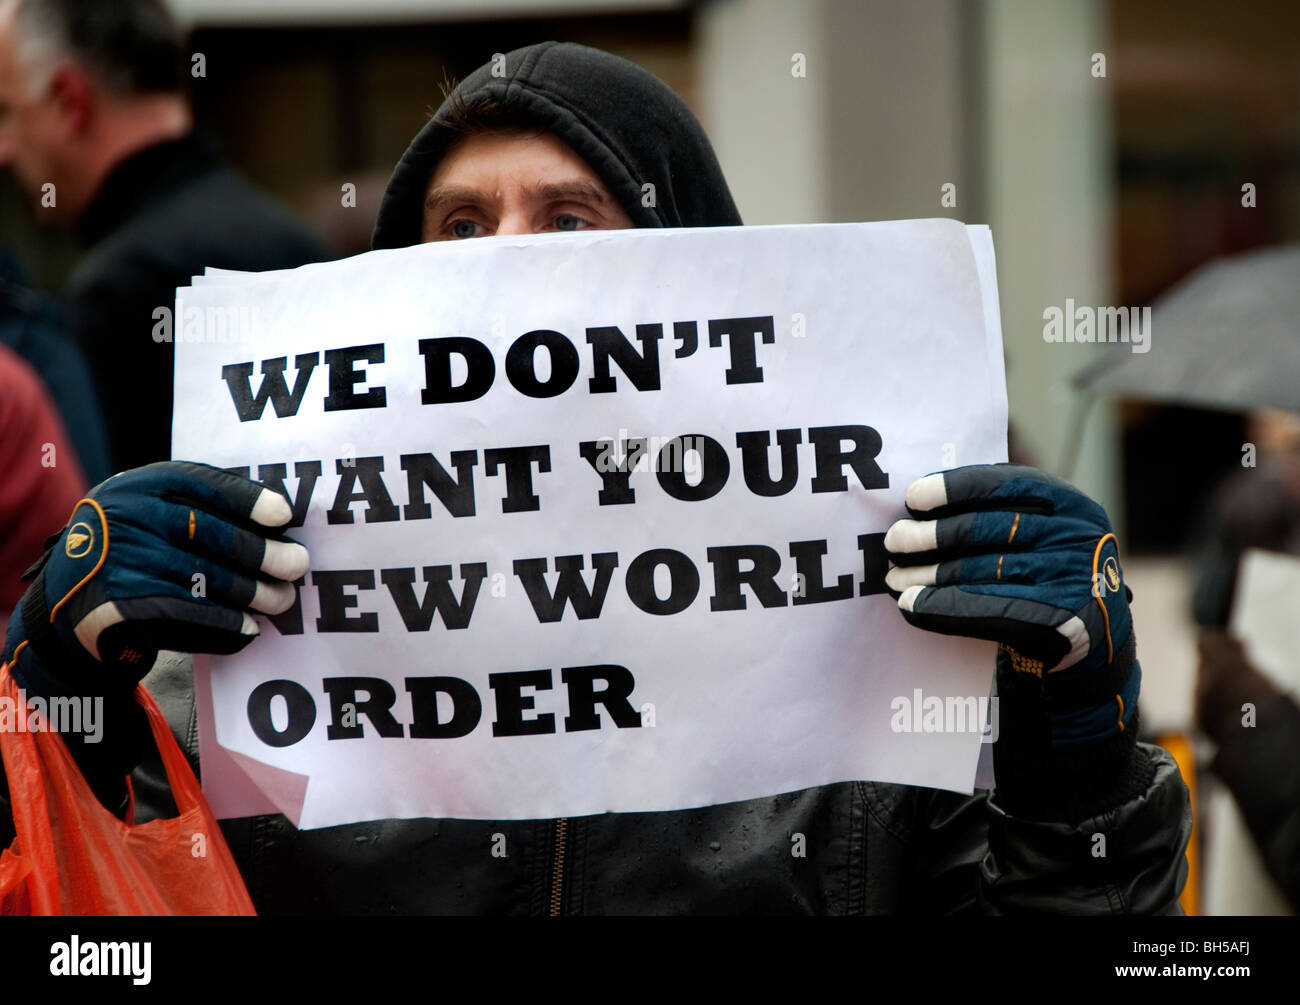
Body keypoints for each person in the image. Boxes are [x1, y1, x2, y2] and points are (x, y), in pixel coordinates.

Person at [0, 41, 1191, 914]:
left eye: (570, 220)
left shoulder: (885, 631)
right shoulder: (266, 621)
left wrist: (1074, 767)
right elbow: (93, 920)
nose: (508, 264)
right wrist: (58, 691)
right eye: (461, 228)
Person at [0, 0, 329, 472]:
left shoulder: (119, 290)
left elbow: (109, 531)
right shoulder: (296, 240)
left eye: (7, 111)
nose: (5, 149)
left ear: (68, 100)